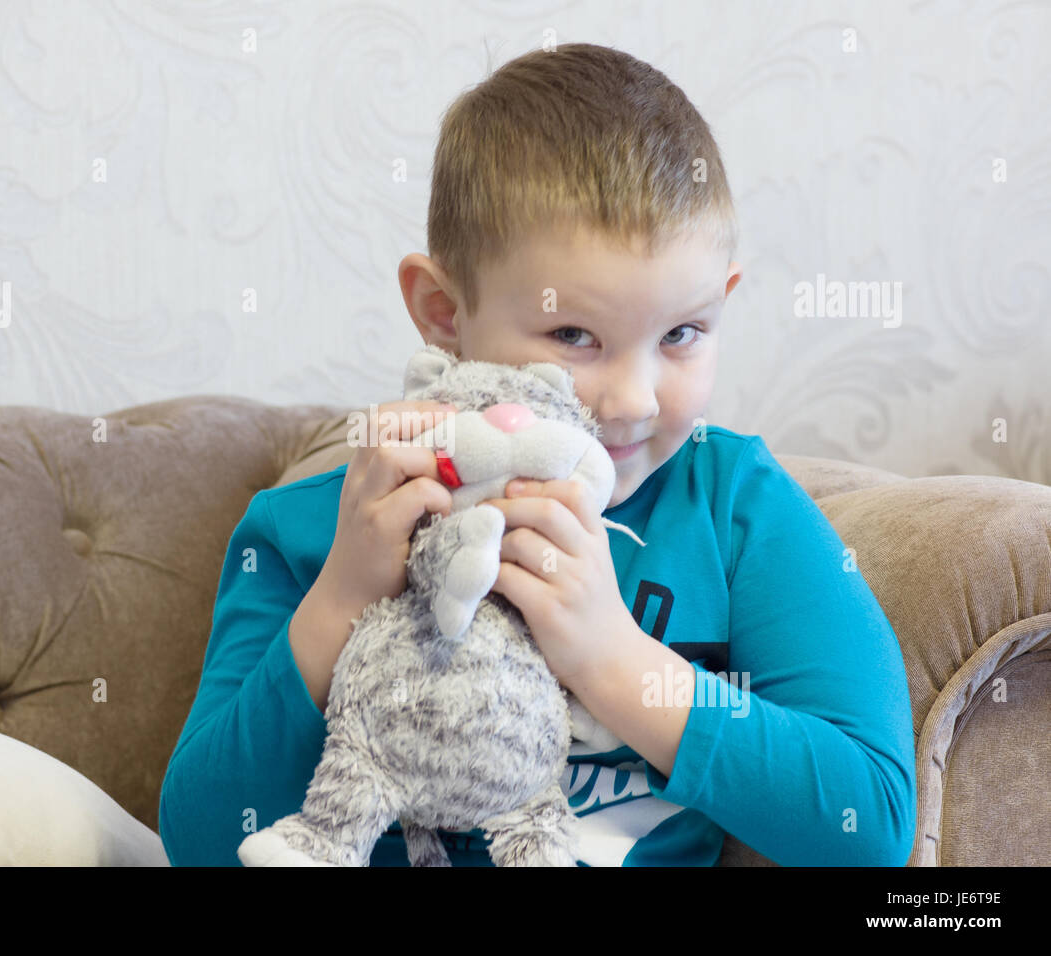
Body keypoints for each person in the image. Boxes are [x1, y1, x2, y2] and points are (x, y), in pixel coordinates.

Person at [158, 42, 916, 867]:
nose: (634, 399)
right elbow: (200, 838)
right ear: (444, 312)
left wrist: (612, 660)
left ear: (721, 304)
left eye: (682, 334)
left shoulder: (736, 507)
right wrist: (342, 598)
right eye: (574, 335)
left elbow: (868, 824)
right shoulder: (303, 531)